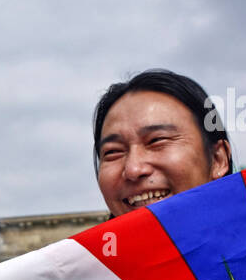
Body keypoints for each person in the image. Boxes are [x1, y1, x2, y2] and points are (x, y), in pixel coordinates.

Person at [92, 69, 233, 218]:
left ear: (218, 159)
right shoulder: (81, 242)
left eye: (156, 140)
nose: (133, 169)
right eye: (113, 151)